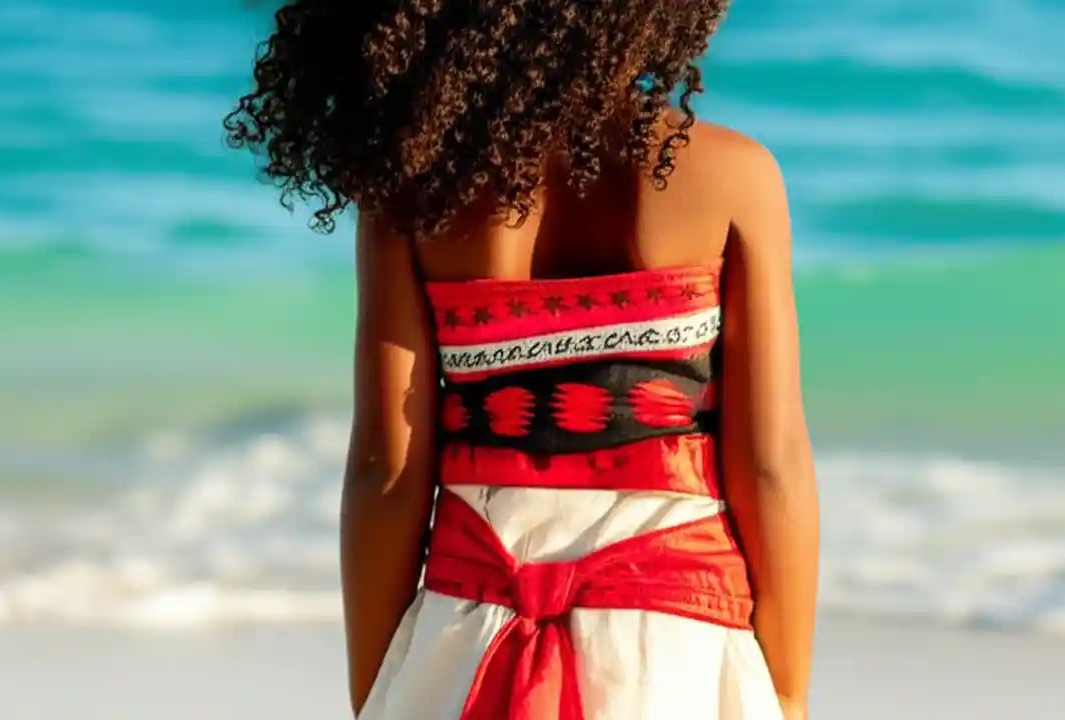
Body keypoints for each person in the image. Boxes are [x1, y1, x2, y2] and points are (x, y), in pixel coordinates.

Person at [226, 2, 819, 718]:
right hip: (677, 646)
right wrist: (784, 691)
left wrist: (386, 689)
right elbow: (770, 465)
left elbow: (387, 468)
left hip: (469, 627)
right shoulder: (733, 175)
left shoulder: (414, 191)